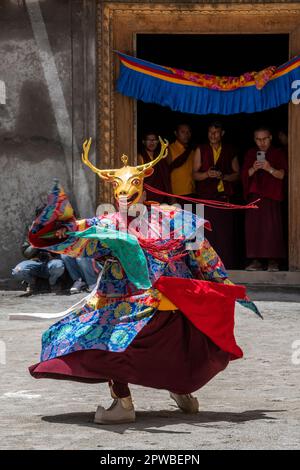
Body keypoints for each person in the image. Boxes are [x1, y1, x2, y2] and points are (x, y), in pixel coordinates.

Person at [28, 138, 260, 425]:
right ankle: (173, 392)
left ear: (143, 183)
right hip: (158, 308)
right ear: (113, 190)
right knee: (161, 345)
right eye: (118, 187)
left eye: (131, 184)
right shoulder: (114, 224)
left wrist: (220, 284)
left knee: (110, 342)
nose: (124, 192)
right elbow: (75, 239)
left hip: (147, 308)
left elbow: (202, 254)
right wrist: (57, 226)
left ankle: (133, 401)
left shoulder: (161, 219)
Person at [193, 121, 240, 268]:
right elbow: (194, 174)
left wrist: (223, 177)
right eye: (210, 132)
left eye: (216, 132)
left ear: (222, 133)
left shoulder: (229, 150)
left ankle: (225, 266)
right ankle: (204, 266)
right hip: (204, 198)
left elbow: (237, 175)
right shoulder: (201, 149)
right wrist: (207, 174)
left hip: (223, 198)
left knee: (224, 235)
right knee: (204, 235)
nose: (213, 135)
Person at [241, 126, 288, 271]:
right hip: (255, 197)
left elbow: (282, 175)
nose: (262, 143)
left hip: (271, 197)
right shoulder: (251, 153)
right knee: (254, 229)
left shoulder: (278, 153)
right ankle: (256, 261)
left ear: (271, 138)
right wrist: (254, 169)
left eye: (265, 139)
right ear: (254, 140)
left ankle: (273, 261)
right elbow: (243, 175)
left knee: (271, 229)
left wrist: (269, 168)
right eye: (258, 139)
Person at [12, 207, 65, 294]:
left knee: (58, 266)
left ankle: (53, 283)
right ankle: (32, 283)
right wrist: (37, 239)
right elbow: (26, 253)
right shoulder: (32, 229)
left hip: (51, 263)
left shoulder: (57, 229)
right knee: (17, 272)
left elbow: (63, 249)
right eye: (41, 218)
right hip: (35, 262)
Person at [138, 131, 172, 203]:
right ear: (143, 142)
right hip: (147, 194)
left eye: (154, 140)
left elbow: (166, 176)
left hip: (161, 194)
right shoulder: (140, 157)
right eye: (149, 140)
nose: (152, 142)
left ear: (158, 142)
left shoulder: (161, 157)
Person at [168, 123, 195, 201]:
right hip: (177, 194)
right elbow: (165, 173)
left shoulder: (192, 151)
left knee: (197, 213)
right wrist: (170, 195)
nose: (186, 135)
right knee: (179, 214)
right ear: (176, 133)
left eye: (188, 132)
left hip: (192, 192)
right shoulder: (169, 149)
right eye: (182, 132)